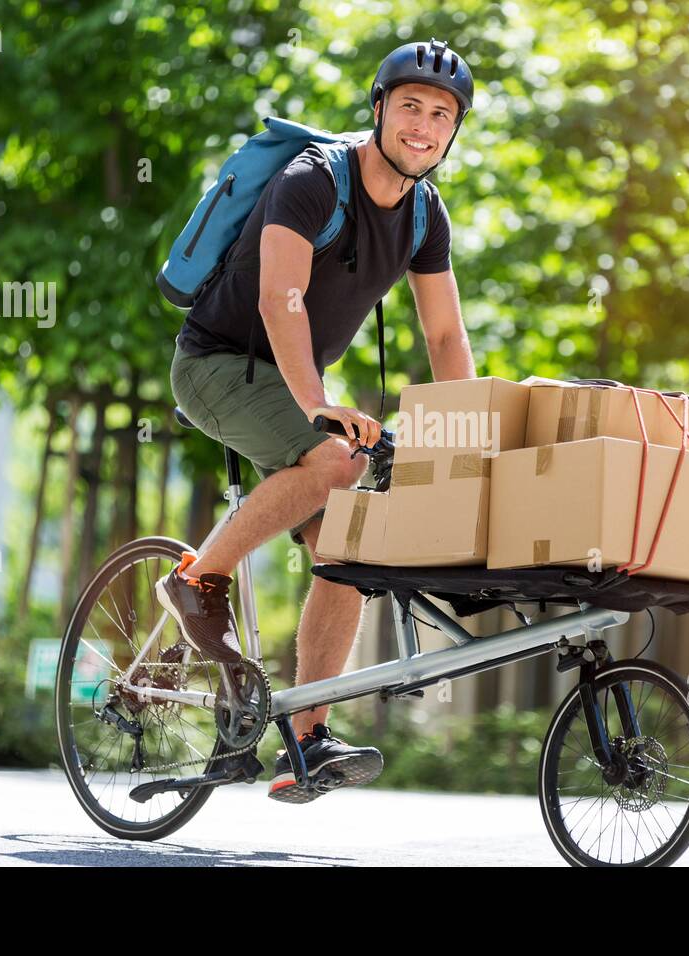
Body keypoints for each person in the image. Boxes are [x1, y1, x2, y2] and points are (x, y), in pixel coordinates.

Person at [155, 39, 477, 803]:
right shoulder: (313, 180)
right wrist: (316, 406)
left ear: (455, 131)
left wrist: (471, 442)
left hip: (292, 386)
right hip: (217, 364)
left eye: (442, 115)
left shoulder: (426, 215)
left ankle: (306, 741)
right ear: (378, 110)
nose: (423, 126)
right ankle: (196, 579)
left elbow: (444, 338)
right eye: (409, 107)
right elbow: (281, 299)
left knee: (350, 549)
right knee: (339, 462)